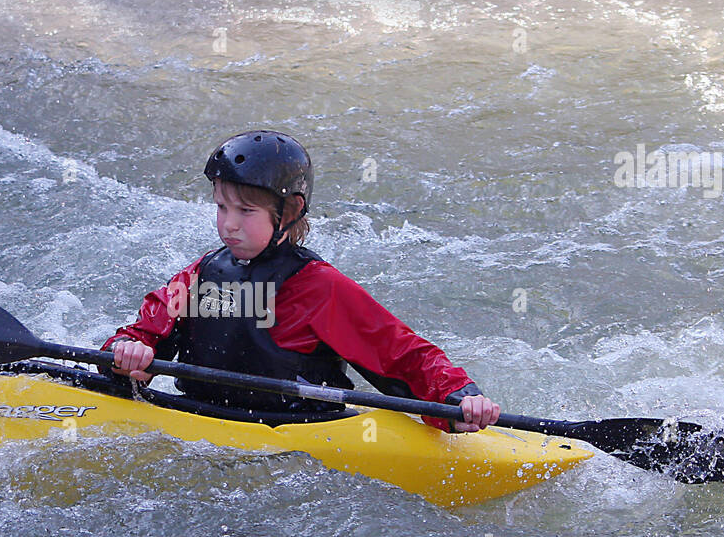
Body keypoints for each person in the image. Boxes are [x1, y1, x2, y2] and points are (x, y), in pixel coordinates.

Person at [102, 130, 500, 433]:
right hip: (202, 422)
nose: (229, 223)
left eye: (246, 210)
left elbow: (401, 354)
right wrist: (128, 354)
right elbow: (144, 332)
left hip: (299, 435)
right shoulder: (200, 275)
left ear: (289, 211)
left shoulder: (318, 287)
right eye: (221, 207)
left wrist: (458, 398)